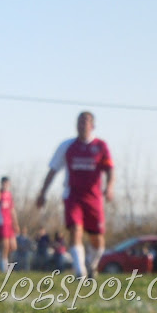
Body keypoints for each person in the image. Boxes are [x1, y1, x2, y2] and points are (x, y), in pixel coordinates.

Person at [36, 111, 115, 279]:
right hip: (73, 196)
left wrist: (109, 187)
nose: (82, 125)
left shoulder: (100, 146)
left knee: (98, 242)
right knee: (75, 230)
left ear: (92, 125)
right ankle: (80, 273)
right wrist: (42, 193)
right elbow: (53, 171)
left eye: (86, 122)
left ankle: (90, 265)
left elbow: (110, 170)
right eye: (79, 121)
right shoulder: (67, 146)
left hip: (94, 199)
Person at [0, 176, 19, 271]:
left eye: (7, 183)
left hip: (9, 223)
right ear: (2, 183)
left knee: (13, 246)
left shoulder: (9, 195)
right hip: (1, 222)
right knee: (5, 245)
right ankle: (4, 268)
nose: (6, 185)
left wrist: (15, 223)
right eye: (4, 183)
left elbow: (12, 210)